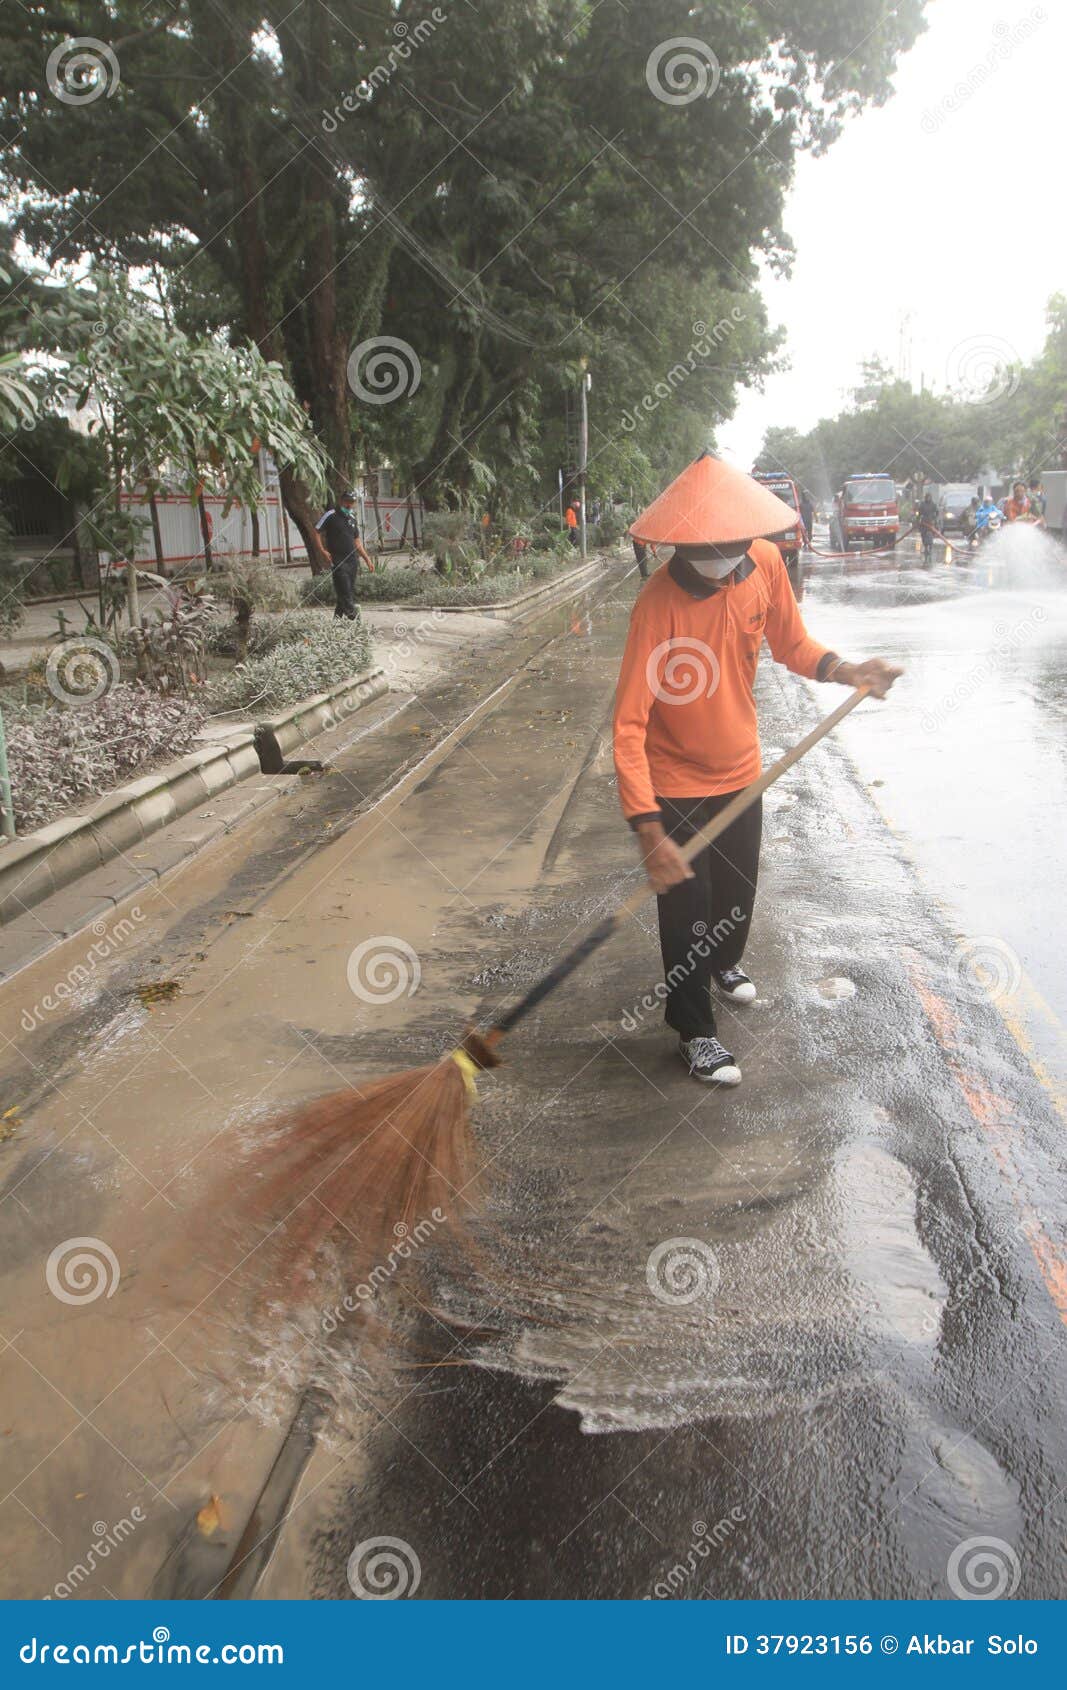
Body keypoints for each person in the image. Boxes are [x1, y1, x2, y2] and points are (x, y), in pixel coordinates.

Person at [613, 452, 901, 1087]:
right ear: (685, 544)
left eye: (737, 545)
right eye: (715, 548)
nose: (728, 560)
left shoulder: (766, 564)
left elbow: (793, 644)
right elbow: (629, 726)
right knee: (687, 909)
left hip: (743, 770)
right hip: (675, 785)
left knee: (735, 898)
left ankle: (724, 963)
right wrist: (646, 826)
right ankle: (694, 1032)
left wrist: (849, 671)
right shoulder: (656, 607)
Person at [315, 491, 374, 618]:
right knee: (345, 591)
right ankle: (354, 619)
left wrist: (367, 559)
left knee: (346, 591)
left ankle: (336, 621)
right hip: (337, 560)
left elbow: (357, 541)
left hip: (352, 561)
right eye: (347, 501)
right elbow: (317, 531)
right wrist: (322, 550)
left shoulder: (352, 517)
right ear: (341, 501)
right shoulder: (331, 515)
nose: (349, 504)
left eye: (352, 502)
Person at [918, 492, 938, 566]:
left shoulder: (933, 505)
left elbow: (937, 512)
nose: (928, 498)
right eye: (927, 497)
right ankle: (925, 547)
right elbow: (919, 513)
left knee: (930, 535)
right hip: (924, 522)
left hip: (931, 522)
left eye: (929, 497)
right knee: (923, 535)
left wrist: (935, 519)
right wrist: (918, 521)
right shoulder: (922, 504)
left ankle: (930, 547)